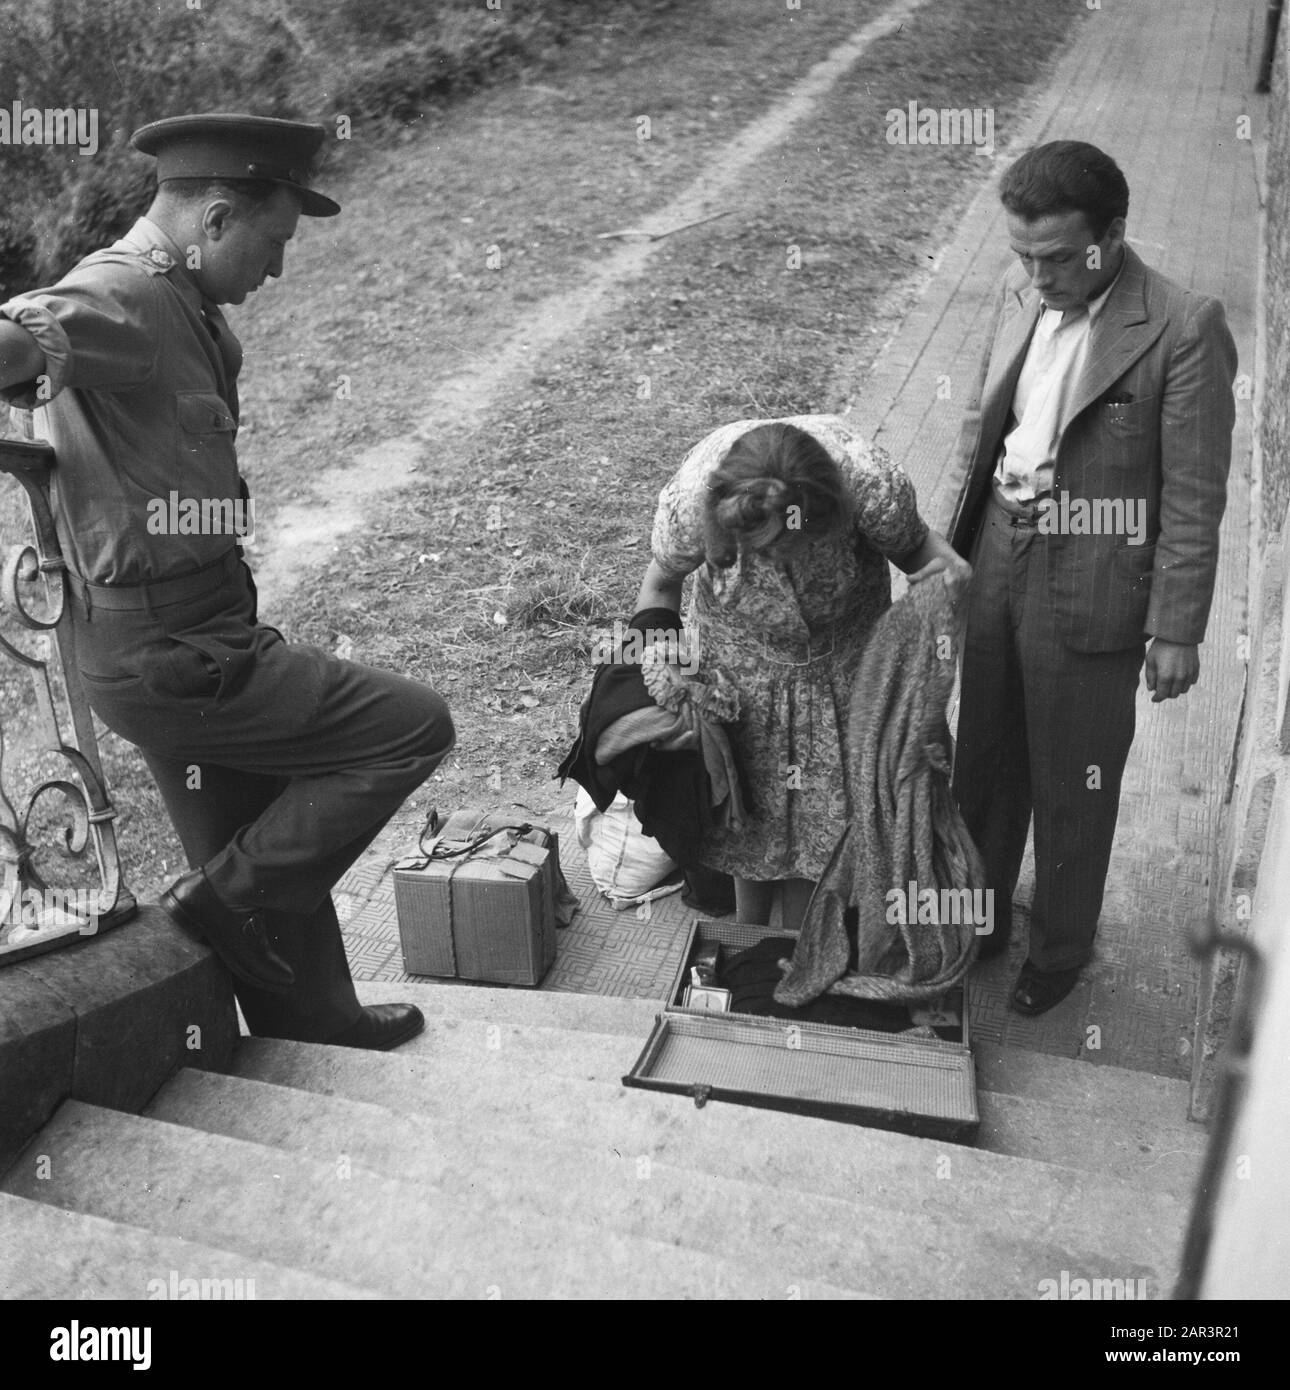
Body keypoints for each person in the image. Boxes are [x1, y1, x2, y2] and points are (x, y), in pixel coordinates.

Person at [0, 113, 455, 1049]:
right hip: (171, 653)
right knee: (409, 727)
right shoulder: (127, 293)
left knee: (251, 832)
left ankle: (312, 1017)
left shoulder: (181, 300)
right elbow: (21, 340)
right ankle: (216, 908)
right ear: (215, 218)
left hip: (182, 637)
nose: (278, 268)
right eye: (274, 240)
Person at [949, 140, 1238, 1015]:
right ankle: (980, 917)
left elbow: (1193, 492)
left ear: (1111, 236)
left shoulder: (1183, 326)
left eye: (1055, 256)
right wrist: (954, 547)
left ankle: (1061, 950)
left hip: (1098, 579)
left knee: (1072, 771)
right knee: (984, 754)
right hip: (1000, 545)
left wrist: (1179, 628)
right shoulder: (1025, 288)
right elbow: (982, 418)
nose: (1036, 275)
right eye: (1020, 254)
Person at [635, 415, 969, 930]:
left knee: (832, 824)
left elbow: (929, 559)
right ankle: (750, 939)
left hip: (844, 669)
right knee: (752, 816)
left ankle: (808, 939)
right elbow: (660, 585)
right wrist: (662, 670)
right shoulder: (694, 498)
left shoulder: (868, 485)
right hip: (738, 677)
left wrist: (943, 596)